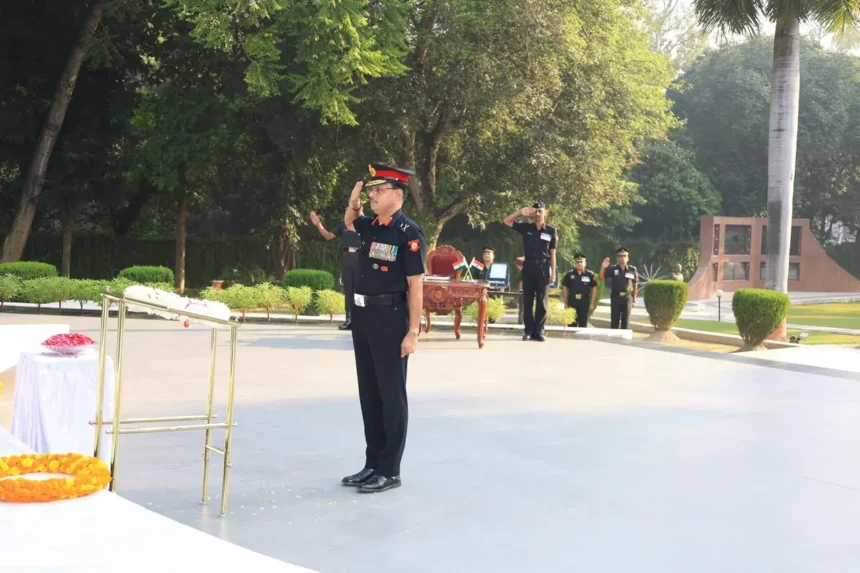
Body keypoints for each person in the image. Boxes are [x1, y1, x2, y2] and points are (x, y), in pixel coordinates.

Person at [341, 163, 426, 494]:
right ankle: (372, 463)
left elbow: (415, 285)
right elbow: (350, 223)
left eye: (379, 191)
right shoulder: (373, 226)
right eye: (371, 191)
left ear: (398, 194)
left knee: (391, 396)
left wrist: (413, 331)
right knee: (370, 394)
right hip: (363, 319)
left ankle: (390, 469)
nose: (372, 196)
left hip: (391, 319)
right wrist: (353, 205)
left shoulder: (408, 233)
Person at [504, 202, 557, 341]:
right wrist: (520, 212)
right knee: (527, 300)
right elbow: (507, 221)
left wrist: (553, 273)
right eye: (536, 211)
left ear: (545, 213)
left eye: (540, 211)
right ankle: (528, 330)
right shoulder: (526, 227)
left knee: (542, 301)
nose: (538, 214)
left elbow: (553, 253)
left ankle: (539, 331)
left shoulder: (551, 231)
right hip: (528, 266)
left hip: (543, 267)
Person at [309, 210, 362, 330]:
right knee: (348, 290)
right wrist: (318, 224)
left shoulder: (365, 223)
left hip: (361, 259)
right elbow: (328, 236)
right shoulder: (342, 225)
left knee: (361, 290)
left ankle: (362, 321)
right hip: (348, 259)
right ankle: (349, 320)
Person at [599, 247, 638, 329]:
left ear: (628, 258)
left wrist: (634, 300)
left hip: (627, 298)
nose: (622, 258)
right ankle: (613, 340)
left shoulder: (632, 269)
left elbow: (635, 285)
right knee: (614, 321)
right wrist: (603, 267)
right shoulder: (613, 269)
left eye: (624, 256)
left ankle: (624, 341)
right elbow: (601, 278)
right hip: (615, 298)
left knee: (626, 322)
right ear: (617, 258)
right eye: (620, 256)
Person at [562, 253, 597, 328]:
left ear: (585, 263)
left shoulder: (590, 274)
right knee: (571, 324)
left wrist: (592, 303)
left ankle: (582, 339)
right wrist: (565, 303)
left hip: (584, 301)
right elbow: (565, 287)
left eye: (581, 262)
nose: (579, 264)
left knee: (583, 324)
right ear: (575, 263)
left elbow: (594, 288)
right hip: (572, 301)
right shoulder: (569, 274)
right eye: (578, 262)